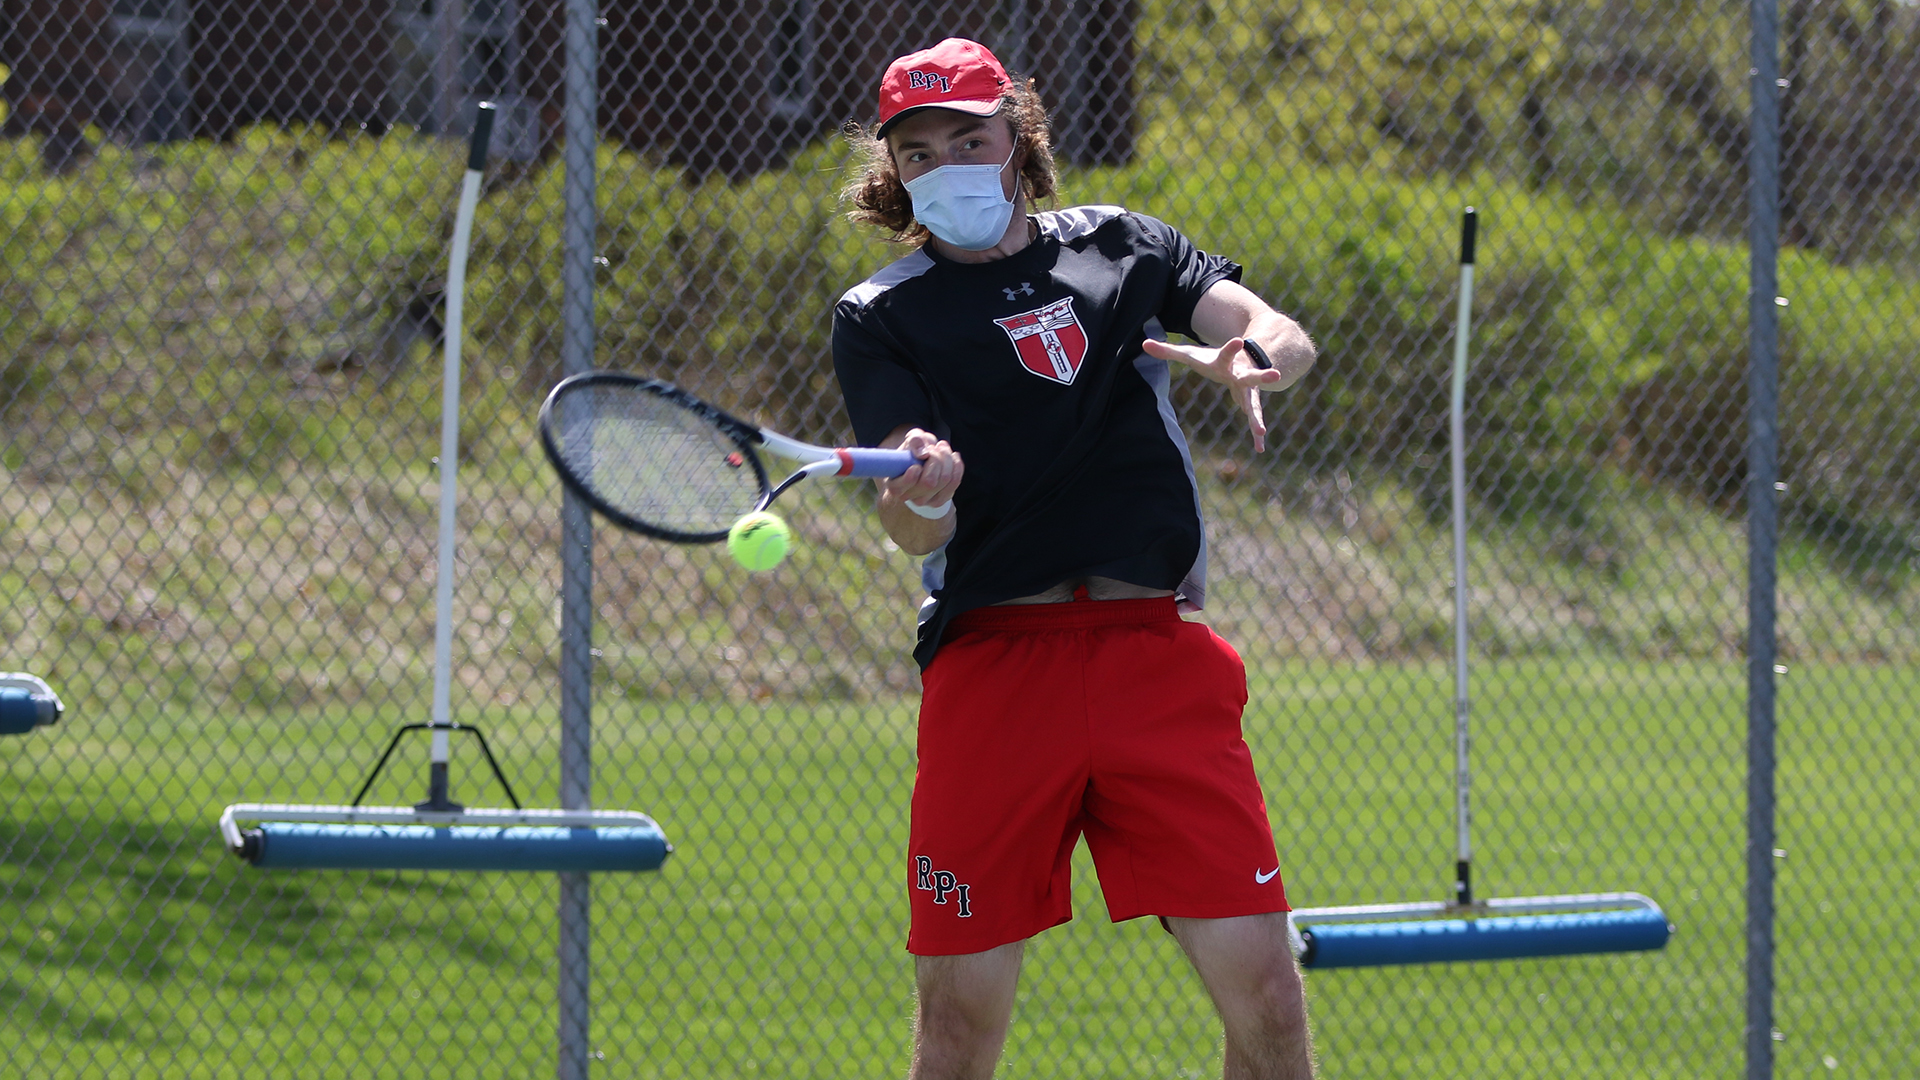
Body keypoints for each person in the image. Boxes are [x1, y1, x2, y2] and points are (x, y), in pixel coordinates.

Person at [831, 38, 1319, 1080]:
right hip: (996, 669)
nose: (951, 162)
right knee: (958, 1033)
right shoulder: (882, 316)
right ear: (896, 172)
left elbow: (1273, 329)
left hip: (1155, 654)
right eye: (921, 150)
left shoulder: (1122, 246)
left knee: (1271, 1008)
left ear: (1018, 137)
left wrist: (1256, 352)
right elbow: (912, 529)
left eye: (972, 136)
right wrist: (922, 490)